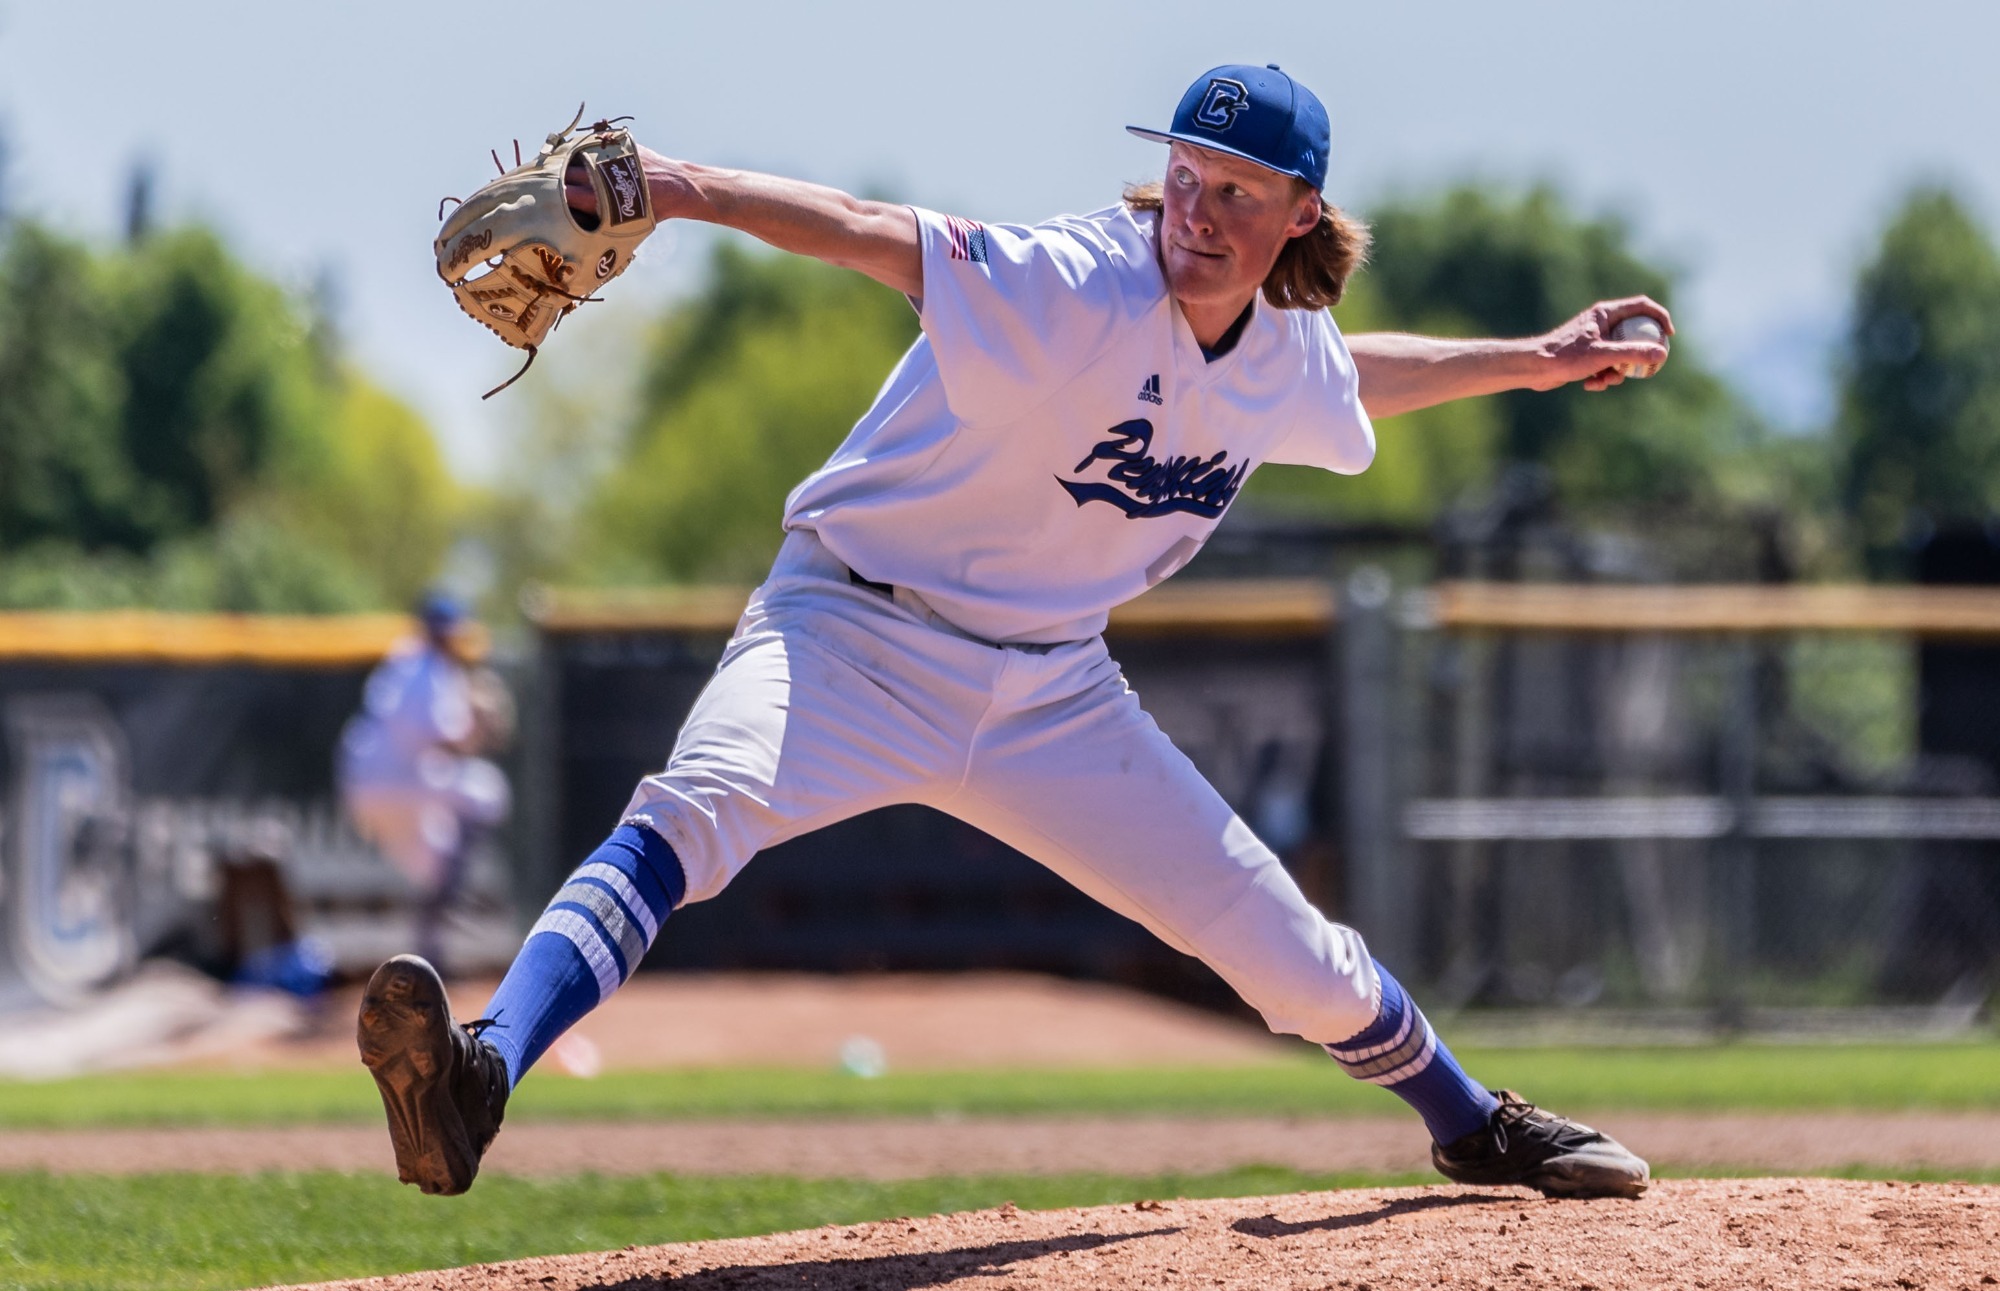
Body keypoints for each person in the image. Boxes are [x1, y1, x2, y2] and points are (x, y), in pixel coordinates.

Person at [359, 64, 1669, 1199]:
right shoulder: (1077, 280)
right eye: (1190, 179)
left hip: (1052, 690)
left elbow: (1363, 374)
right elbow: (874, 233)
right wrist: (675, 182)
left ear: (1302, 214)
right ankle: (481, 1071)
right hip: (848, 631)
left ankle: (1468, 1121)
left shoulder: (1278, 349)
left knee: (1284, 952)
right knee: (690, 815)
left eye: (1240, 193)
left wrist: (1541, 356)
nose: (1202, 214)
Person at [339, 592, 512, 975]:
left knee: (436, 858)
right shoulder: (433, 668)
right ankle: (452, 905)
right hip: (403, 779)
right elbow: (442, 738)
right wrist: (478, 727)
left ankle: (429, 950)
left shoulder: (402, 659)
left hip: (363, 781)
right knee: (489, 791)